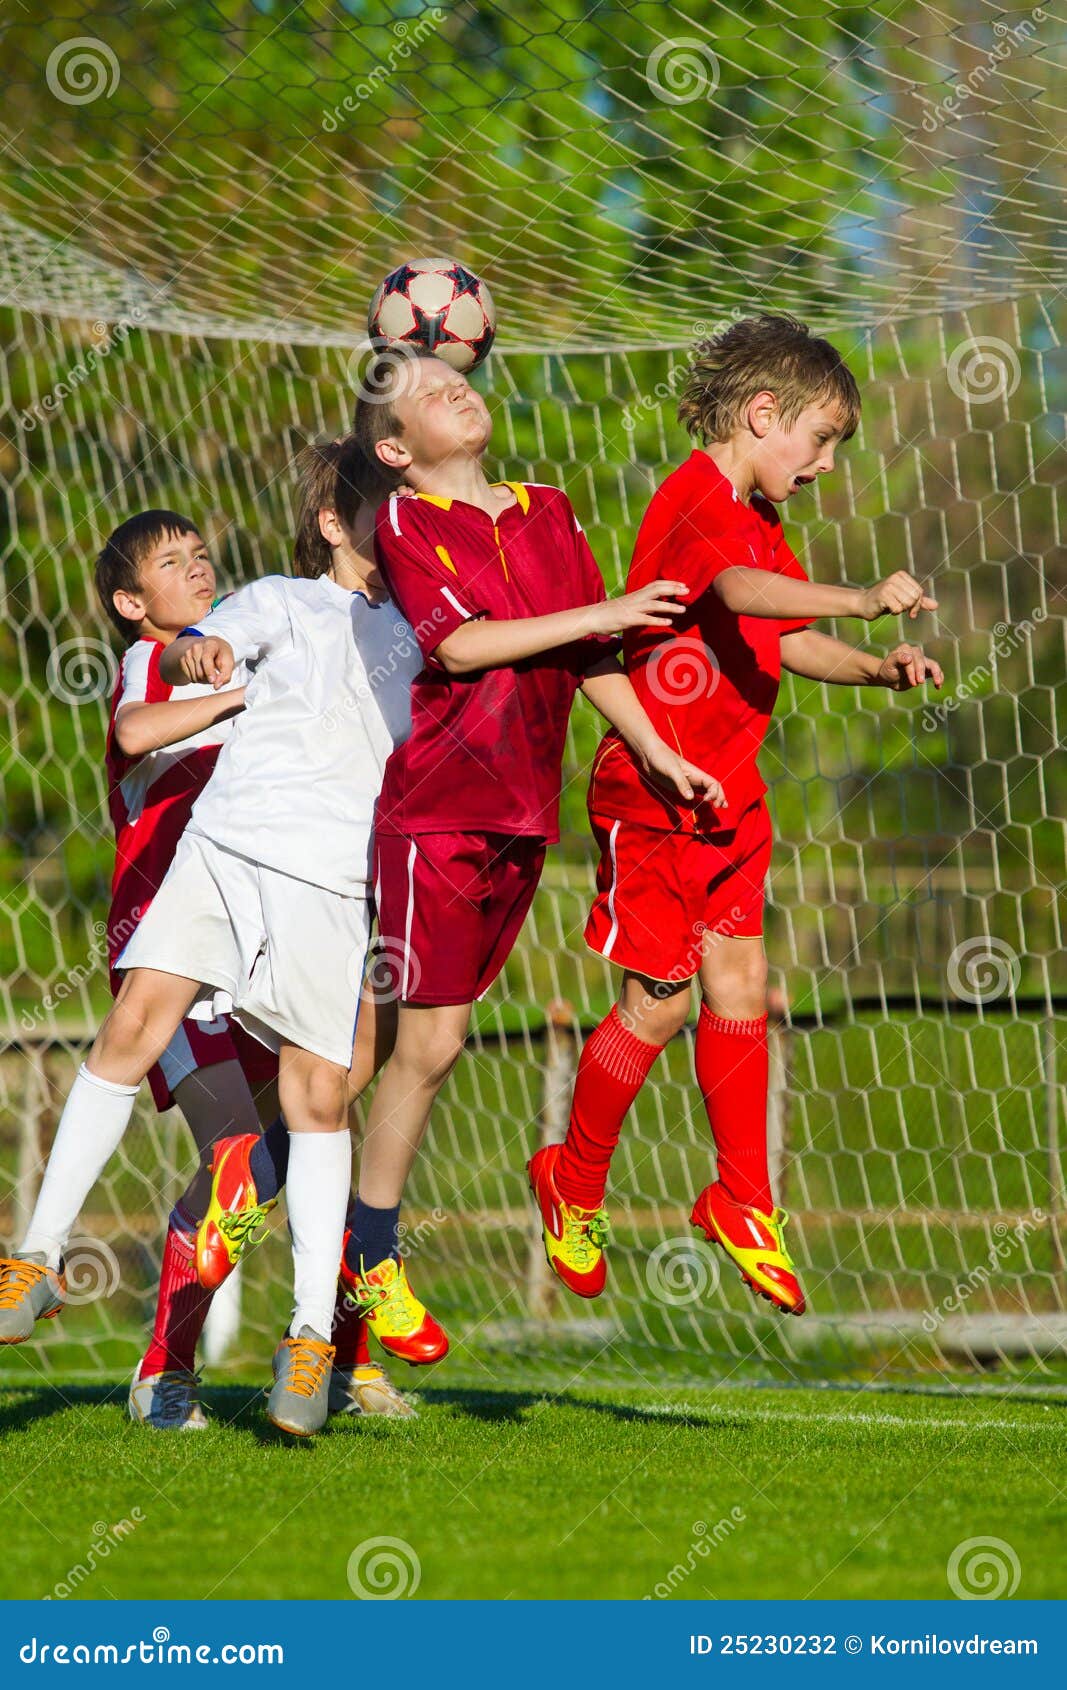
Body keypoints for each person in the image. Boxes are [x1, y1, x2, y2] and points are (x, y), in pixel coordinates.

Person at [0, 438, 419, 1437]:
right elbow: (142, 729)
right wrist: (237, 684)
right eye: (171, 562)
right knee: (242, 1149)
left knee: (286, 1140)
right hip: (186, 937)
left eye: (201, 554)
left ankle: (324, 1350)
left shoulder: (344, 643)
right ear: (132, 603)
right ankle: (139, 1342)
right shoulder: (168, 655)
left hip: (285, 926)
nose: (197, 569)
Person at [529, 313, 944, 1314]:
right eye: (819, 440)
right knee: (661, 1002)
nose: (821, 465)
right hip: (654, 788)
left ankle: (739, 1197)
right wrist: (861, 599)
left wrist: (874, 670)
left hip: (732, 798)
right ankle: (571, 1182)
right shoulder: (693, 501)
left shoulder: (761, 518)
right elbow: (738, 588)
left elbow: (779, 631)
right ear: (763, 414)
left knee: (742, 983)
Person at [339, 347, 724, 1347]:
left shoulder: (546, 509)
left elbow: (594, 654)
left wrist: (654, 749)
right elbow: (458, 645)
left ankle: (299, 1226)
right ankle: (365, 1251)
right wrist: (602, 614)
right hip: (436, 811)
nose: (454, 389)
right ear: (394, 447)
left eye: (455, 377)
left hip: (522, 815)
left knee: (384, 1051)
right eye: (425, 394)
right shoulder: (403, 521)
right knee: (428, 1043)